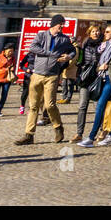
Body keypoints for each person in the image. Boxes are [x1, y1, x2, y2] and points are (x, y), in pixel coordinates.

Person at [13, 14, 75, 145]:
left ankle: (58, 127)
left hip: (52, 75)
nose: (63, 26)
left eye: (63, 24)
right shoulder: (41, 35)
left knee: (50, 105)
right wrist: (50, 53)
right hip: (37, 74)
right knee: (33, 106)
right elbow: (32, 48)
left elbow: (73, 50)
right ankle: (29, 135)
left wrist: (68, 57)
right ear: (54, 24)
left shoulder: (64, 39)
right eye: (61, 24)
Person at [79, 25, 111, 147]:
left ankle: (91, 138)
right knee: (107, 109)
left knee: (100, 106)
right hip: (103, 79)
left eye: (107, 32)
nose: (104, 33)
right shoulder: (104, 47)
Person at [72, 23, 103, 142]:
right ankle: (79, 133)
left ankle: (101, 131)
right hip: (85, 77)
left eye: (98, 31)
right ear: (89, 33)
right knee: (82, 106)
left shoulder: (103, 44)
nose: (96, 33)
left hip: (97, 77)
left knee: (97, 106)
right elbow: (80, 59)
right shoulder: (84, 44)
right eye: (94, 31)